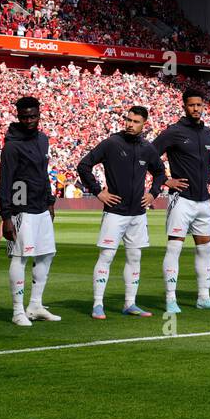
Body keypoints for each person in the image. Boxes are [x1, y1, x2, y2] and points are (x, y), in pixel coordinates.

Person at [77, 105, 166, 319]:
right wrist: (98, 192)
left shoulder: (147, 148)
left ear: (144, 124)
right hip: (115, 212)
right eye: (128, 120)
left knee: (135, 257)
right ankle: (98, 304)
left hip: (138, 213)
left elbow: (160, 173)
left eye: (135, 121)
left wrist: (153, 193)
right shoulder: (111, 143)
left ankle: (130, 303)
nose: (129, 124)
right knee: (106, 256)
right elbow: (84, 166)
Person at [153, 88, 210, 313]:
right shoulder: (174, 131)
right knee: (174, 249)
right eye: (191, 105)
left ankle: (204, 297)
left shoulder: (208, 134)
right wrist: (166, 180)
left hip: (203, 200)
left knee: (205, 249)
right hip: (181, 199)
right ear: (184, 106)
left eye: (199, 105)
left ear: (204, 106)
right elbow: (149, 155)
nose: (196, 109)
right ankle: (170, 299)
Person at [0, 96, 60, 327]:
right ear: (18, 116)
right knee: (20, 257)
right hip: (20, 206)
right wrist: (6, 216)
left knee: (46, 254)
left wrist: (50, 201)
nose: (29, 121)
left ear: (39, 114)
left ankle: (35, 305)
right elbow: (4, 181)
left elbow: (44, 173)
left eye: (33, 116)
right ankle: (17, 311)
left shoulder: (43, 139)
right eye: (24, 117)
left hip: (41, 206)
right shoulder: (12, 146)